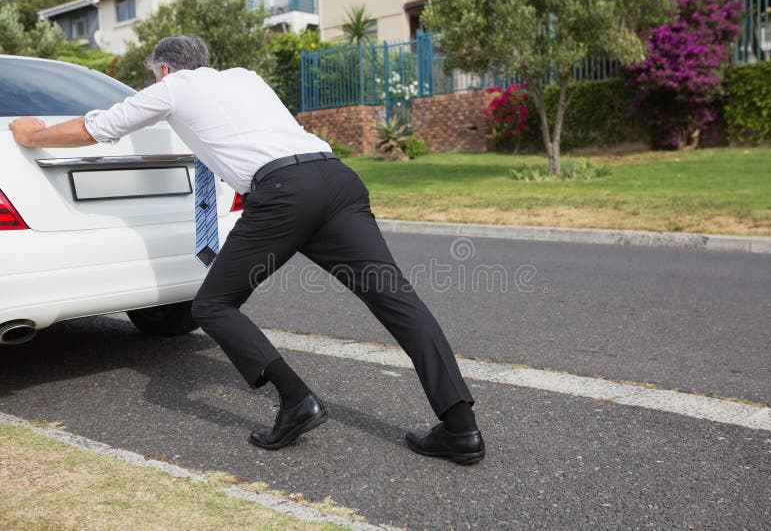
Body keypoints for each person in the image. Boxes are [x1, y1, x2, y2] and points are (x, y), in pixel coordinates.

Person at [9, 35, 485, 464]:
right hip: (337, 179)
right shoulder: (246, 78)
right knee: (398, 301)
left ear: (164, 71)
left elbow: (100, 127)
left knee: (213, 305)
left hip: (283, 194)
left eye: (154, 76)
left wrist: (32, 136)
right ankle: (461, 429)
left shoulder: (172, 88)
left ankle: (297, 400)